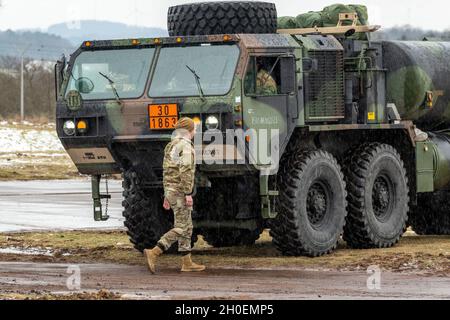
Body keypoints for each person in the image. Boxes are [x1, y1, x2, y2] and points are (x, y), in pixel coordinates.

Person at [144, 117, 206, 274]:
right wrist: (188, 193)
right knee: (182, 227)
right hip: (179, 192)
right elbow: (185, 171)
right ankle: (155, 251)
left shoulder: (171, 146)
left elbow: (167, 171)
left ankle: (187, 262)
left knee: (187, 226)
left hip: (171, 191)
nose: (196, 131)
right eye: (195, 129)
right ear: (189, 130)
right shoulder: (185, 147)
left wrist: (166, 194)